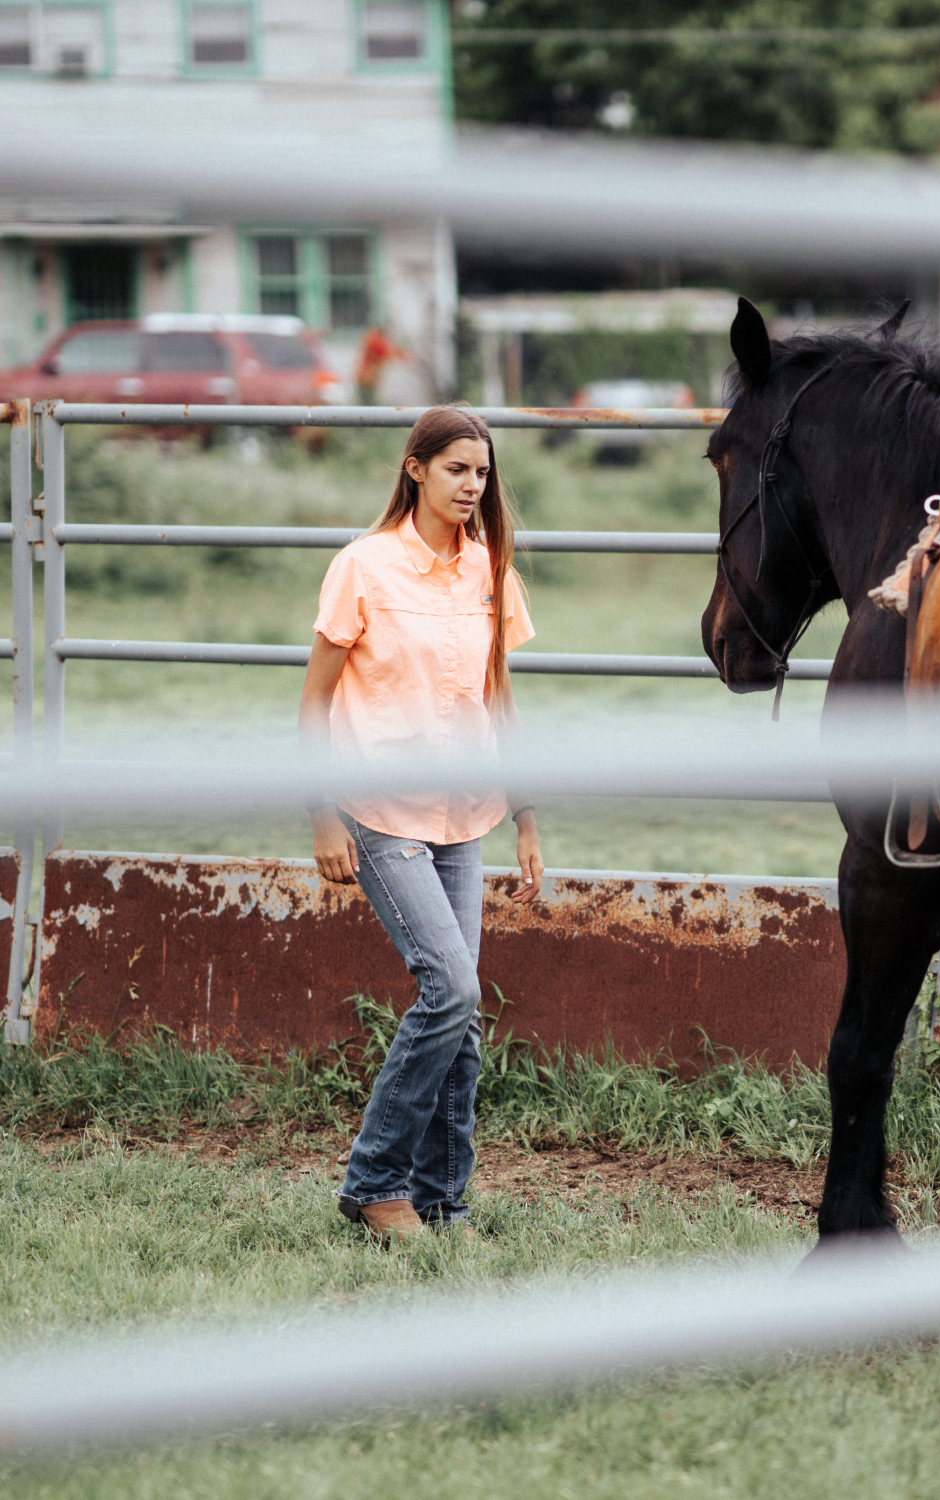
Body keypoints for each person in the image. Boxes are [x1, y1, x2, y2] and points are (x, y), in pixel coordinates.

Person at [299, 405, 542, 1241]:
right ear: (415, 469)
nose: (472, 486)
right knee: (453, 989)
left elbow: (498, 698)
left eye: (482, 473)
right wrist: (322, 817)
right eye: (456, 470)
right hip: (376, 807)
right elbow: (314, 701)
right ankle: (374, 1185)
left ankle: (444, 1201)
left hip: (463, 812)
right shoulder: (363, 566)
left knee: (461, 1017)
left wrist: (527, 815)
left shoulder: (489, 569)